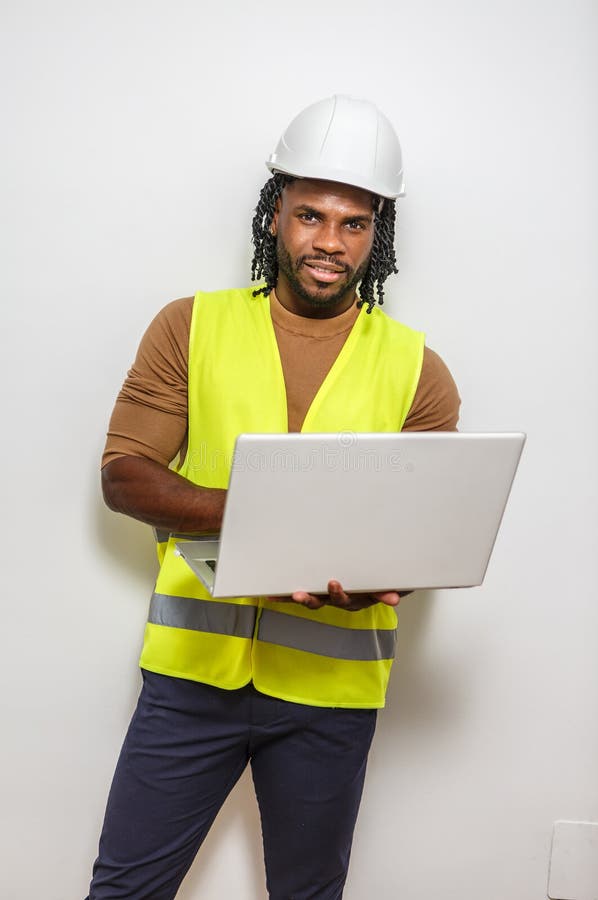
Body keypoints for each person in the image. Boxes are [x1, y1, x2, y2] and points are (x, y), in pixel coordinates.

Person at [87, 94, 460, 900]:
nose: (329, 242)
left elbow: (426, 532)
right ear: (274, 217)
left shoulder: (417, 369)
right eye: (310, 216)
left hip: (331, 698)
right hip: (190, 683)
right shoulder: (190, 327)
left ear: (377, 236)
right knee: (124, 891)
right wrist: (271, 515)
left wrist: (382, 577)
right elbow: (125, 473)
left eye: (354, 223)